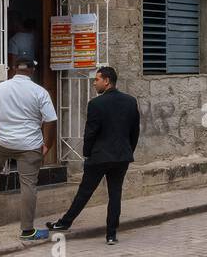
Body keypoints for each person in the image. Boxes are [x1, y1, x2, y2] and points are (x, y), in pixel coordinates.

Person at [47, 66, 140, 245]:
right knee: (115, 195)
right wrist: (128, 150)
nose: (94, 83)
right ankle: (111, 234)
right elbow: (135, 131)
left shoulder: (96, 104)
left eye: (96, 80)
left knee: (84, 192)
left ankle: (64, 223)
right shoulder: (130, 101)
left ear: (107, 81)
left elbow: (90, 133)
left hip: (99, 157)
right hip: (121, 156)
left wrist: (87, 154)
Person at [0, 58, 57, 242]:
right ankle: (27, 231)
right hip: (31, 145)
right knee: (28, 186)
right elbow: (51, 120)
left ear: (13, 70)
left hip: (4, 142)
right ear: (33, 71)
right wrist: (47, 145)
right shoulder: (40, 92)